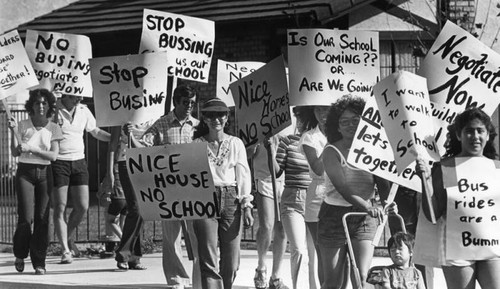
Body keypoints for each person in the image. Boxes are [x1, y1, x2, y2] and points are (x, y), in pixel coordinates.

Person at [416, 107, 500, 289]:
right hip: (457, 248)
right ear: (459, 135)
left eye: (480, 131)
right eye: (469, 131)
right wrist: (425, 181)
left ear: (488, 135)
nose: (475, 136)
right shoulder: (447, 167)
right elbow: (433, 214)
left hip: (493, 246)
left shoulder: (497, 168)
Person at [129, 85, 200, 288]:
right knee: (171, 236)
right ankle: (177, 278)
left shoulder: (197, 125)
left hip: (194, 187)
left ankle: (199, 275)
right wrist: (132, 137)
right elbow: (145, 146)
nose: (189, 107)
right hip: (169, 188)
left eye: (193, 103)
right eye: (185, 102)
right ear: (176, 102)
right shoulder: (162, 124)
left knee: (197, 234)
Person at [320, 95, 394, 289]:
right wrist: (368, 206)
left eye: (356, 120)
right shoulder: (330, 152)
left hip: (364, 218)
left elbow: (383, 183)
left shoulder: (373, 150)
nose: (350, 125)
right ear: (336, 126)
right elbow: (343, 188)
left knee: (361, 277)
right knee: (333, 281)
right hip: (334, 217)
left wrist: (387, 202)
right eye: (344, 122)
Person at [192, 97, 254, 289]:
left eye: (220, 114)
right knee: (208, 257)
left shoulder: (236, 143)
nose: (216, 119)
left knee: (232, 261)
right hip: (204, 199)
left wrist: (247, 205)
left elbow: (243, 174)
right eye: (210, 115)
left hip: (230, 199)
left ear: (227, 118)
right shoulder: (196, 144)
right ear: (204, 119)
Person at [8, 89, 63, 275]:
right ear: (31, 105)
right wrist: (12, 132)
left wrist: (31, 148)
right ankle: (20, 253)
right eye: (37, 103)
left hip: (45, 173)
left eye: (44, 103)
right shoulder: (23, 124)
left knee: (42, 218)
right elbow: (15, 153)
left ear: (49, 106)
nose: (41, 106)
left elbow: (53, 156)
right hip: (25, 172)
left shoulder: (54, 128)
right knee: (26, 218)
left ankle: (39, 262)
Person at [52, 93, 110, 264]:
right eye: (74, 97)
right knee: (59, 207)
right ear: (64, 94)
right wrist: (55, 109)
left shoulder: (83, 110)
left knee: (83, 206)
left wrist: (115, 139)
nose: (79, 100)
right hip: (59, 162)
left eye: (80, 96)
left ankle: (67, 237)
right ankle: (65, 250)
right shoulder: (54, 109)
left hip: (79, 162)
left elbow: (96, 131)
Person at [267, 106, 318, 289]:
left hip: (316, 200)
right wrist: (271, 152)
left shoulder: (320, 140)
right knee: (299, 250)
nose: (298, 122)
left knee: (315, 254)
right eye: (297, 118)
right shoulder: (288, 141)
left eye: (301, 117)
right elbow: (277, 172)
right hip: (292, 200)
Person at [250, 134, 288, 289]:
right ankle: (261, 267)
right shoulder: (256, 129)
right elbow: (247, 154)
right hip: (264, 179)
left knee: (282, 229)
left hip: (285, 180)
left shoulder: (289, 126)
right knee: (267, 225)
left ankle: (276, 276)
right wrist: (257, 145)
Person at [298, 105, 328, 285]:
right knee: (322, 251)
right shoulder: (309, 137)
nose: (322, 114)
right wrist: (332, 141)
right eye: (318, 110)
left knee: (342, 252)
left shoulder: (346, 132)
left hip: (342, 192)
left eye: (326, 109)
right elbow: (317, 167)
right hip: (318, 193)